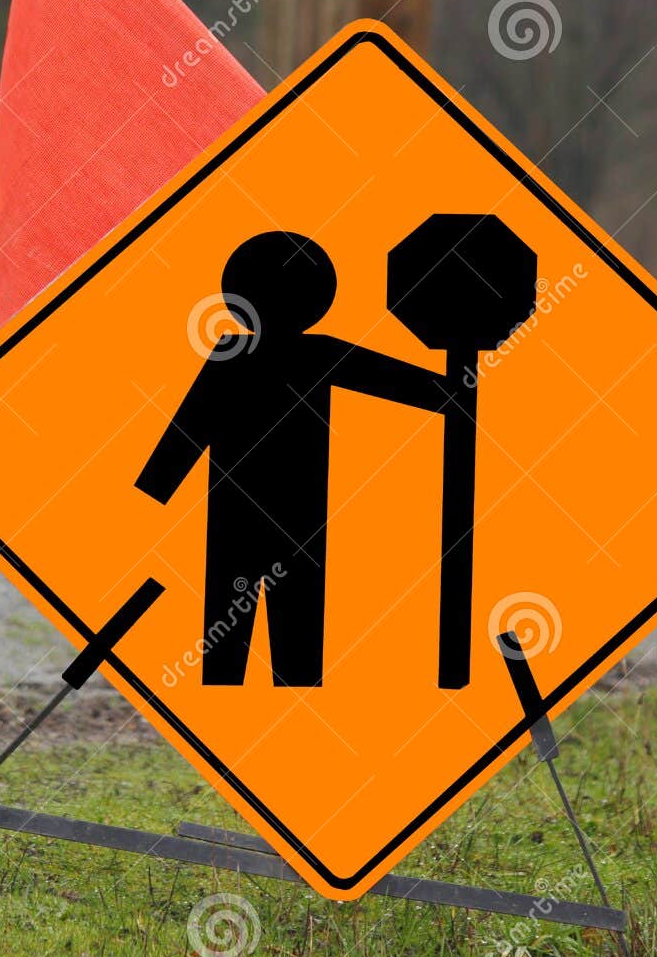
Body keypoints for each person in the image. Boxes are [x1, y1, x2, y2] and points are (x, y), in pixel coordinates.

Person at [135, 231, 453, 687]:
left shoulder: (238, 353)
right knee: (287, 641)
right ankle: (268, 706)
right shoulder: (312, 353)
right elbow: (402, 383)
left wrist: (155, 489)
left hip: (245, 518)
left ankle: (253, 706)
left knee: (246, 638)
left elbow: (187, 432)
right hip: (291, 519)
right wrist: (455, 387)